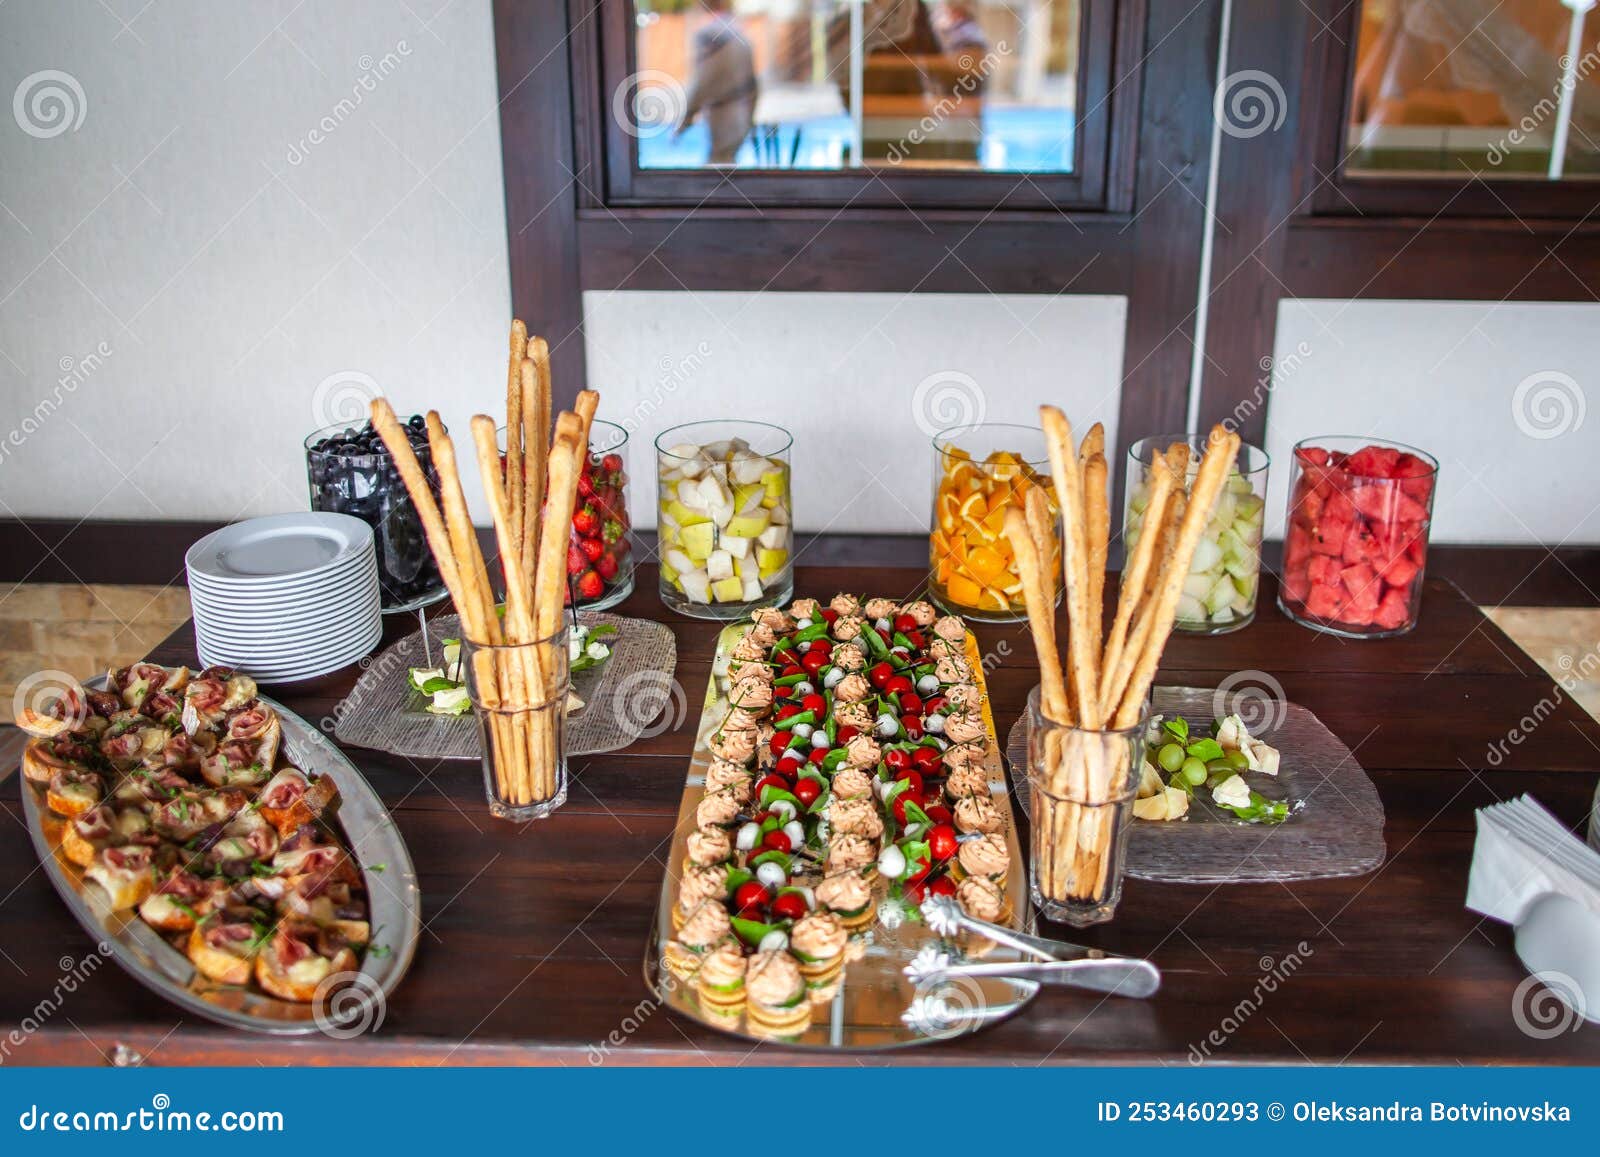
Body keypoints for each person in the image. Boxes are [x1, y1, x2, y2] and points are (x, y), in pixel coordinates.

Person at [678, 0, 758, 165]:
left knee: (719, 167)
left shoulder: (708, 36)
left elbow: (702, 82)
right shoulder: (741, 34)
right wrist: (749, 115)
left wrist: (686, 119)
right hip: (741, 114)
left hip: (723, 118)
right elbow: (753, 85)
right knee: (725, 164)